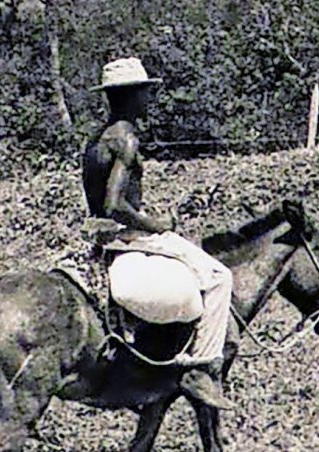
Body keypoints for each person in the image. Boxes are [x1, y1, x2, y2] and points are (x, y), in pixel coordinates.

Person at [82, 57, 235, 411]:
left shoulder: (96, 138)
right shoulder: (127, 139)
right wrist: (157, 224)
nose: (148, 100)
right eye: (144, 93)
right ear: (131, 96)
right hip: (127, 235)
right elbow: (114, 204)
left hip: (98, 234)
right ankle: (203, 369)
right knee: (219, 277)